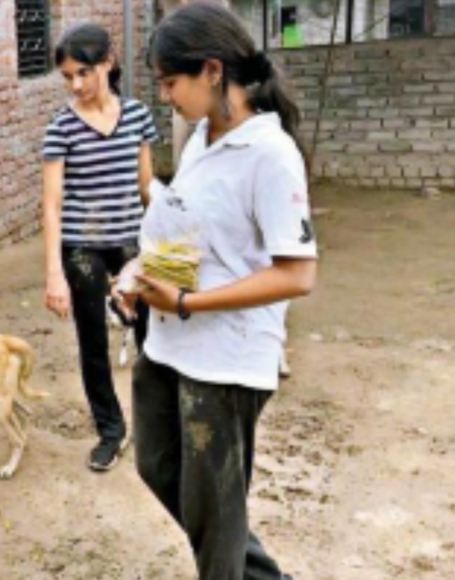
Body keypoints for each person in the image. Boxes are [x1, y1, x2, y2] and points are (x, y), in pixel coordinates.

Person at [117, 3, 317, 579]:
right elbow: (193, 232)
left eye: (169, 82)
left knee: (214, 509)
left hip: (226, 359)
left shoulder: (269, 156)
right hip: (170, 341)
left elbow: (297, 273)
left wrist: (186, 302)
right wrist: (140, 273)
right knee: (160, 468)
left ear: (211, 70)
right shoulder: (202, 138)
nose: (165, 96)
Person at [42, 23, 160, 472]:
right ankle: (111, 431)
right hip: (82, 247)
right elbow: (51, 205)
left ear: (108, 63)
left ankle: (157, 424)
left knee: (154, 330)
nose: (76, 85)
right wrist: (54, 273)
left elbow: (146, 186)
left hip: (131, 240)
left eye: (84, 73)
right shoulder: (61, 127)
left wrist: (172, 239)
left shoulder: (137, 115)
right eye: (68, 76)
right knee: (93, 342)